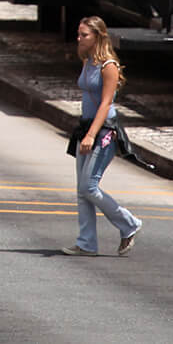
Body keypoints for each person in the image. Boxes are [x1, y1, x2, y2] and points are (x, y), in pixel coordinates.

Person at [64, 16, 142, 257]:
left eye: (84, 35)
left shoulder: (109, 66)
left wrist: (91, 135)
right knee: (82, 190)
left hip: (104, 131)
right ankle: (86, 243)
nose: (79, 38)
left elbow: (105, 103)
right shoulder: (87, 60)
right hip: (86, 127)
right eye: (79, 33)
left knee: (89, 186)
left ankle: (129, 223)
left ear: (98, 36)